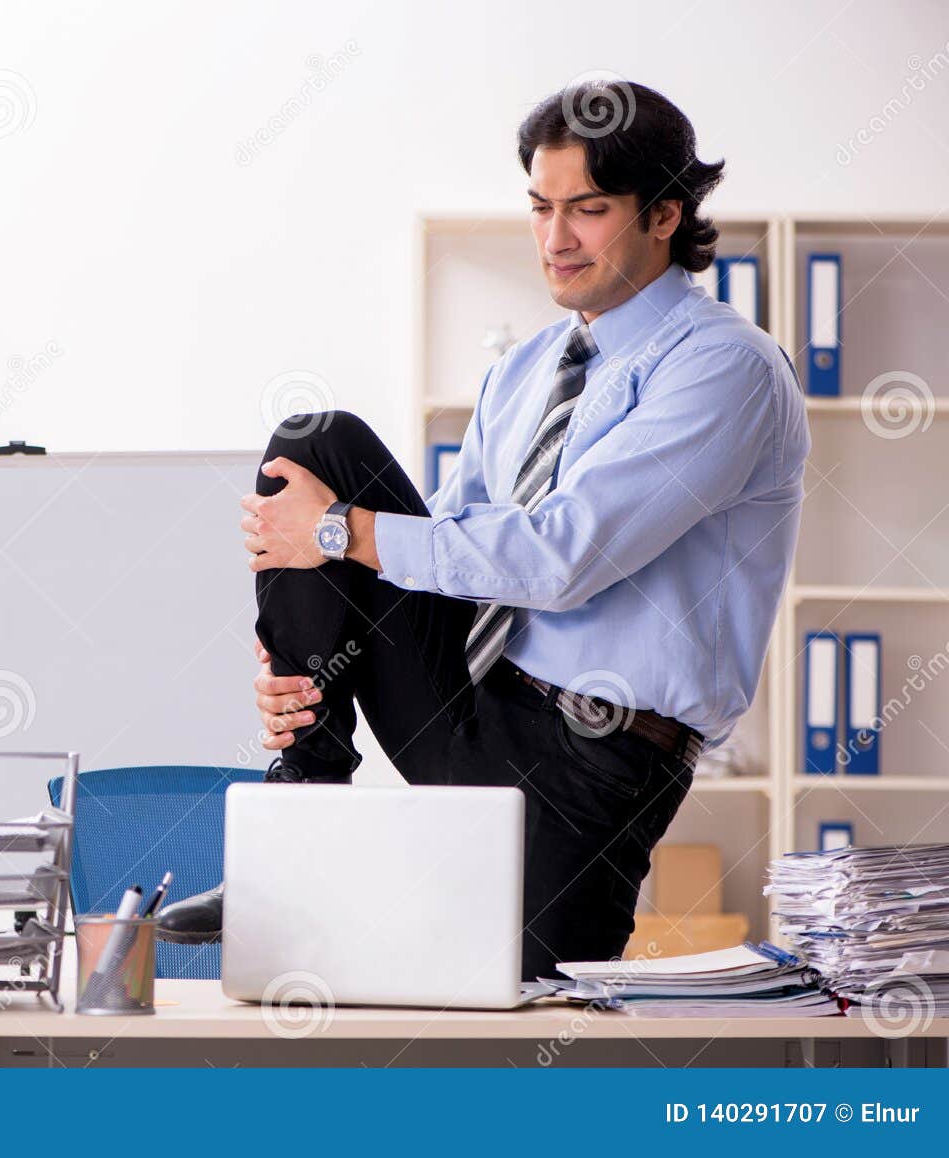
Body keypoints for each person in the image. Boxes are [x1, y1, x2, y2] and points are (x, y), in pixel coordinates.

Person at [156, 80, 810, 980]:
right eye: (540, 208)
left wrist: (336, 538)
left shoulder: (725, 367)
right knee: (316, 444)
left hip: (593, 757)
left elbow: (560, 557)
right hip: (472, 688)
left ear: (664, 215)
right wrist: (310, 647)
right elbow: (452, 551)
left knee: (524, 1013)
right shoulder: (527, 369)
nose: (554, 239)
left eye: (587, 210)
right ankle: (302, 799)